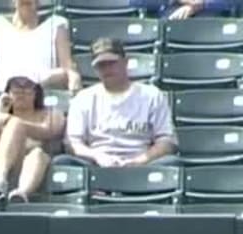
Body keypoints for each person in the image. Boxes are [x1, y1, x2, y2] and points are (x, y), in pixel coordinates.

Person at [60, 38, 177, 168]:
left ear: (125, 62)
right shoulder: (83, 99)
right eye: (101, 65)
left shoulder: (151, 95)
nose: (107, 69)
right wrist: (96, 156)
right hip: (96, 166)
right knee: (63, 163)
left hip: (142, 166)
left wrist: (140, 160)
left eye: (112, 63)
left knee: (171, 163)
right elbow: (73, 143)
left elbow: (166, 142)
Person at [0, 0, 80, 109]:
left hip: (41, 100)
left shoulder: (56, 25)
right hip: (5, 100)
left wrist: (71, 82)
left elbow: (68, 70)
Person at [0, 75, 65, 204]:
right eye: (16, 88)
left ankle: (21, 194)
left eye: (27, 87)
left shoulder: (50, 114)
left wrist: (19, 125)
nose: (21, 92)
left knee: (37, 154)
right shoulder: (3, 118)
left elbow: (50, 130)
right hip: (11, 170)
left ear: (36, 92)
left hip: (40, 171)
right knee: (15, 124)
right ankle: (0, 175)